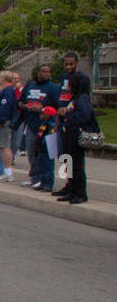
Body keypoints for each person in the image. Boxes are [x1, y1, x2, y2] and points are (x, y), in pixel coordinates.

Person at [56, 67, 96, 205]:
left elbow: (84, 117)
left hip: (76, 133)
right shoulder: (75, 98)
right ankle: (71, 189)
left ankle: (80, 193)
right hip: (68, 131)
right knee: (69, 162)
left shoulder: (83, 99)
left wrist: (67, 114)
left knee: (77, 165)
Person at [22, 65, 61, 191]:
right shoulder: (30, 86)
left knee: (45, 155)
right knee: (31, 153)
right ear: (37, 73)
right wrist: (24, 105)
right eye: (43, 71)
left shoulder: (53, 88)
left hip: (47, 127)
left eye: (48, 72)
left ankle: (46, 181)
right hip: (31, 124)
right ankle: (35, 178)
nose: (46, 74)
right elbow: (21, 102)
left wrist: (42, 109)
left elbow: (58, 107)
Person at [0, 71, 18, 182]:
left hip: (3, 123)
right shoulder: (5, 91)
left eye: (0, 77)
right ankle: (7, 172)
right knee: (2, 147)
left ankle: (8, 173)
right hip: (2, 122)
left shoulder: (8, 91)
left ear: (3, 78)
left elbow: (4, 108)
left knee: (4, 146)